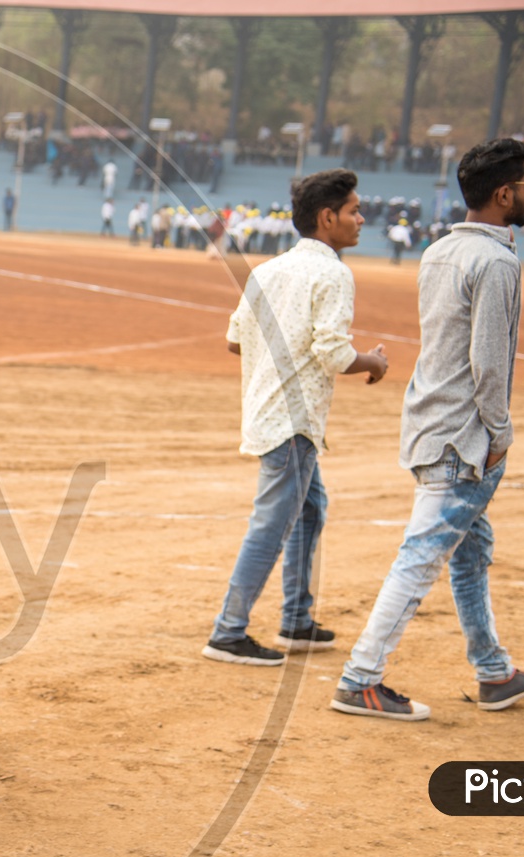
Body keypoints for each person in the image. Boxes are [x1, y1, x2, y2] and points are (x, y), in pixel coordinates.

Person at [332, 140, 524, 721]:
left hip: (430, 423)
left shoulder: (438, 252)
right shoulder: (498, 262)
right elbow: (488, 363)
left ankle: (494, 671)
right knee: (422, 556)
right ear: (505, 194)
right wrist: (500, 433)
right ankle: (360, 679)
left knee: (469, 550)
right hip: (464, 438)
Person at [202, 169, 390, 667]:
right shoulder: (333, 273)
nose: (360, 218)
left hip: (272, 416)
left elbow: (234, 340)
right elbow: (332, 352)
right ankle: (228, 630)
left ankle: (296, 618)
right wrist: (372, 361)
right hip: (293, 424)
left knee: (309, 509)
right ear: (328, 218)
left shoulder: (267, 270)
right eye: (353, 210)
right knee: (272, 524)